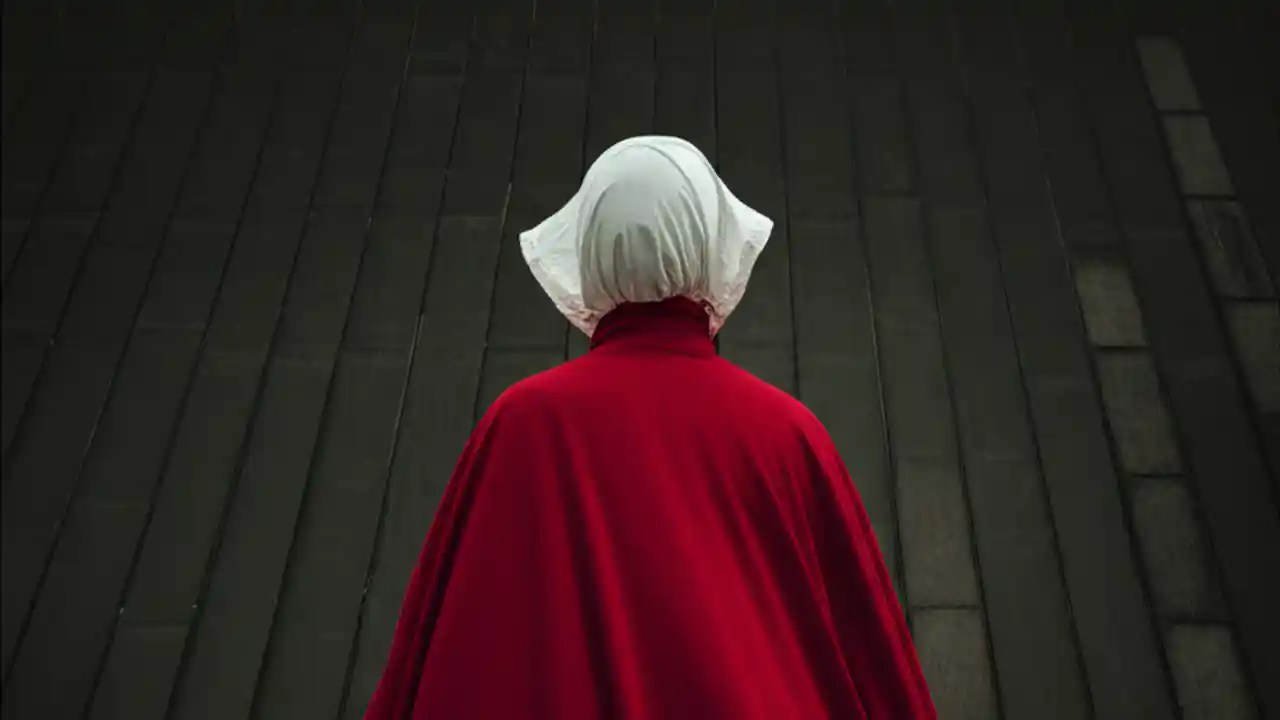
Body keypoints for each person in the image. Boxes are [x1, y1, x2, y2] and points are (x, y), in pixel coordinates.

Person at [363, 136, 937, 719]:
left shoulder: (521, 423)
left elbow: (439, 662)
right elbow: (875, 665)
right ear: (712, 245)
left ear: (588, 250)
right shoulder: (789, 433)